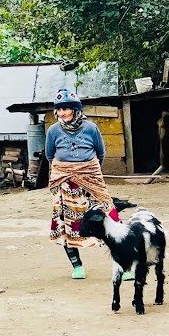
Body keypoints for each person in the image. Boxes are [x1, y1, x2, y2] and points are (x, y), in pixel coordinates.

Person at [46, 89, 122, 279]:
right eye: (59, 109)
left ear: (76, 110)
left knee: (110, 215)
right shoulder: (53, 130)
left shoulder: (90, 128)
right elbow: (50, 155)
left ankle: (123, 264)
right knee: (67, 222)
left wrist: (87, 172)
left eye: (67, 109)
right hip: (65, 182)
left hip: (91, 179)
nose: (62, 113)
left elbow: (100, 153)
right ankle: (77, 266)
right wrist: (69, 172)